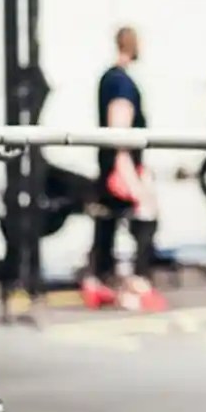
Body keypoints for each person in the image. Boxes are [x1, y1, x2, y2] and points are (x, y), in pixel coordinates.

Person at [86, 26, 162, 310]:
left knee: (107, 220)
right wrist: (131, 177)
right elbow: (120, 130)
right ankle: (137, 285)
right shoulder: (122, 83)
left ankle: (100, 282)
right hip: (121, 166)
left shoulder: (109, 78)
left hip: (110, 165)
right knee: (146, 217)